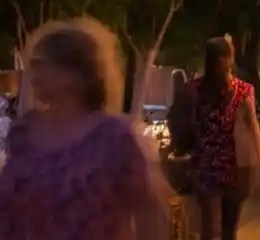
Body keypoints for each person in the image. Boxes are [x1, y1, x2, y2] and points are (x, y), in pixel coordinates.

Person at [0, 18, 168, 240]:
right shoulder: (23, 133)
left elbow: (150, 209)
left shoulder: (114, 138)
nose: (33, 74)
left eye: (42, 64)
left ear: (74, 74)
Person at [188, 36, 260, 240]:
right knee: (214, 228)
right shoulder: (197, 89)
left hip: (228, 165)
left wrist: (259, 158)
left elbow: (252, 124)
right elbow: (252, 125)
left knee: (224, 228)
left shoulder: (242, 90)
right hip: (212, 165)